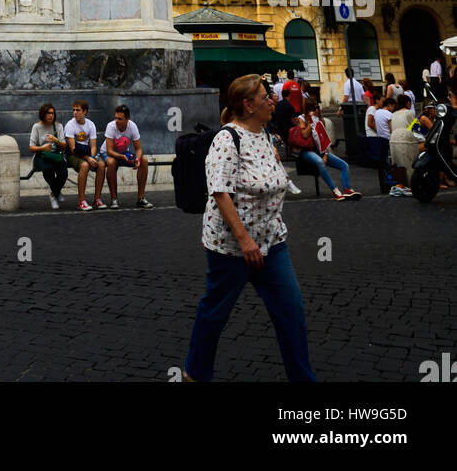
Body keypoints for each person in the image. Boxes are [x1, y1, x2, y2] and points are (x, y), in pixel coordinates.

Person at [183, 74, 315, 383]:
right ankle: (196, 372)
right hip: (231, 247)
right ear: (248, 104)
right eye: (265, 96)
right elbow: (219, 190)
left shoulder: (266, 135)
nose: (272, 100)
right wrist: (243, 240)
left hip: (271, 242)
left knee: (291, 312)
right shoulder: (227, 139)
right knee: (216, 311)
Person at [288, 98, 361, 200]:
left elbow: (324, 139)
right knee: (320, 162)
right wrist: (310, 120)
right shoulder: (302, 118)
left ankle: (347, 189)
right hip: (307, 151)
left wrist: (326, 154)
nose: (316, 110)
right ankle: (335, 190)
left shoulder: (320, 120)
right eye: (314, 108)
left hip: (321, 151)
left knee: (344, 165)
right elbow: (305, 135)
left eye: (317, 107)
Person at [100, 104, 153, 209]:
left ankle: (141, 198)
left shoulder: (132, 126)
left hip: (123, 153)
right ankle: (114, 199)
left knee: (144, 160)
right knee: (111, 163)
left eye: (120, 119)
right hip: (107, 153)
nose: (116, 120)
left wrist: (137, 159)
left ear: (127, 119)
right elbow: (109, 151)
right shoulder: (111, 126)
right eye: (115, 118)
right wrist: (122, 157)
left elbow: (138, 149)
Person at [64, 99, 106, 210]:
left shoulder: (91, 125)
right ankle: (81, 201)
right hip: (73, 155)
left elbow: (93, 146)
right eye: (73, 110)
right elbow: (73, 149)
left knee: (101, 165)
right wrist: (88, 159)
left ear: (85, 111)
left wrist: (92, 158)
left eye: (78, 110)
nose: (75, 113)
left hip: (87, 153)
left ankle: (97, 199)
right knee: (85, 165)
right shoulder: (70, 125)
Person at [29, 103, 68, 209]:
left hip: (56, 155)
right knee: (48, 169)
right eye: (48, 113)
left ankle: (54, 193)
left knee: (63, 172)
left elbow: (64, 146)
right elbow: (31, 148)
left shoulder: (58, 126)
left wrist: (55, 140)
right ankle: (56, 193)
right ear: (43, 114)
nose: (51, 115)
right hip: (41, 155)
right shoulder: (36, 127)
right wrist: (42, 148)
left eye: (52, 113)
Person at [387, 94, 417, 196]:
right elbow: (413, 128)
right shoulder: (409, 113)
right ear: (408, 103)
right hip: (405, 138)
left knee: (398, 165)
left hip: (393, 138)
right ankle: (411, 186)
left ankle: (401, 185)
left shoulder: (394, 114)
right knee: (409, 164)